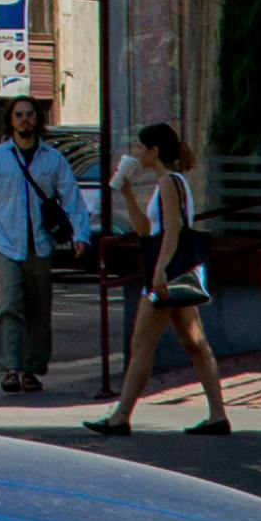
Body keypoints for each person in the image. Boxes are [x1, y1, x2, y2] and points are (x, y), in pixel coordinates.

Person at [84, 120, 232, 438]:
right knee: (195, 344)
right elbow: (144, 229)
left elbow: (174, 229)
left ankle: (121, 415)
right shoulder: (167, 182)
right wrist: (125, 191)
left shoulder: (169, 183)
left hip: (166, 274)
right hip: (173, 272)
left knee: (142, 345)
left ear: (154, 151)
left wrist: (161, 268)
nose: (135, 152)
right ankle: (217, 414)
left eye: (140, 147)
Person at [0, 97, 82, 395]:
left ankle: (31, 369)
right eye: (19, 115)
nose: (24, 120)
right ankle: (10, 368)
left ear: (37, 119)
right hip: (6, 242)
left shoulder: (53, 159)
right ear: (10, 120)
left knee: (38, 308)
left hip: (40, 245)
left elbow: (70, 195)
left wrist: (81, 235)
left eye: (30, 114)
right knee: (8, 306)